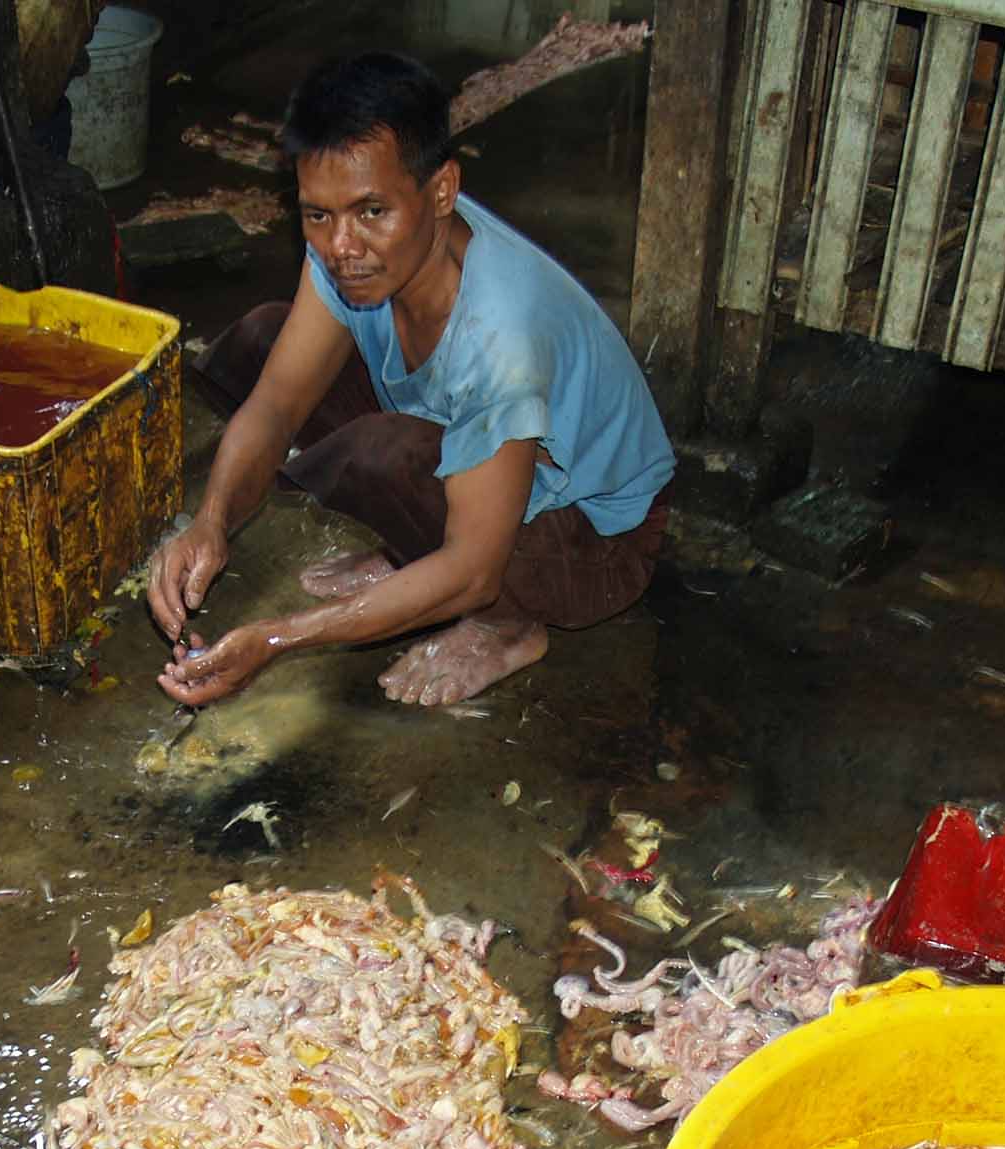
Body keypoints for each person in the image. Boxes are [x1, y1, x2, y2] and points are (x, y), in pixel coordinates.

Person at [148, 50, 675, 711]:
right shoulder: (350, 248)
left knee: (383, 455)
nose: (342, 245)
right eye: (317, 214)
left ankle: (507, 631)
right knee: (258, 341)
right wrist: (210, 521)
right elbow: (279, 402)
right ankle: (410, 555)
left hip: (597, 542)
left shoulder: (501, 336)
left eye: (373, 211)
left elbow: (475, 571)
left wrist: (276, 641)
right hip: (482, 457)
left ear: (443, 190)